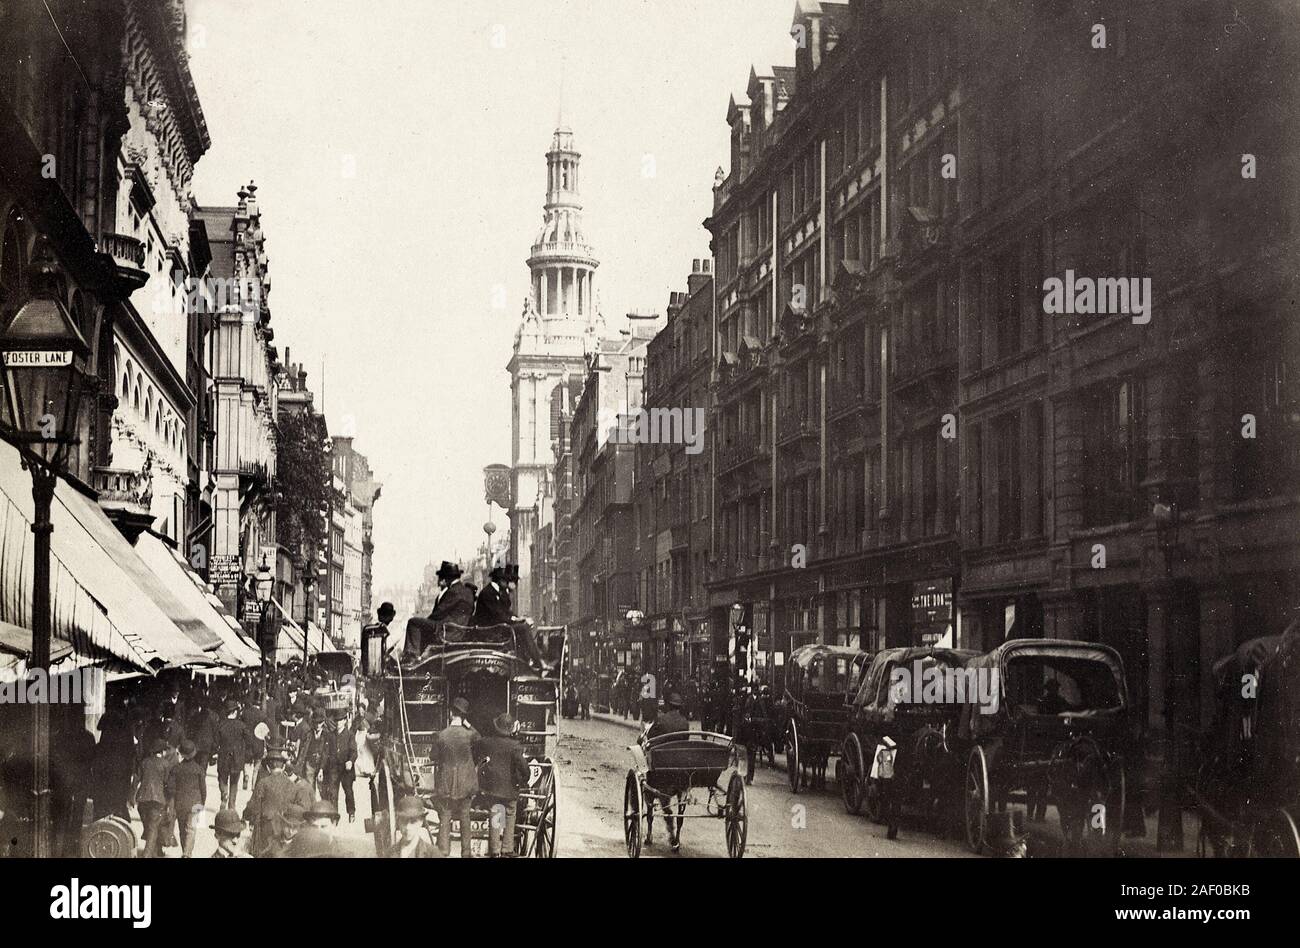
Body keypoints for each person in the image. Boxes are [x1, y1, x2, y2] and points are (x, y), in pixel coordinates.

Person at [429, 696, 480, 858]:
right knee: (465, 815)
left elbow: (433, 757)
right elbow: (480, 738)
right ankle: (466, 852)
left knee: (445, 815)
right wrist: (468, 724)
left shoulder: (442, 735)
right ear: (464, 716)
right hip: (466, 783)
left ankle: (443, 851)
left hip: (446, 783)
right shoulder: (469, 735)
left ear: (451, 714)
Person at [474, 713, 530, 858]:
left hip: (493, 788)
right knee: (510, 814)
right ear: (511, 729)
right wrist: (525, 778)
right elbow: (523, 766)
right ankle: (507, 849)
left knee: (496, 814)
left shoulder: (487, 742)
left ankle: (494, 849)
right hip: (510, 788)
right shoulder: (515, 746)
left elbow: (477, 746)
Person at [242, 746, 298, 856]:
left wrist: (245, 816)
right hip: (285, 828)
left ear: (268, 767)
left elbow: (254, 805)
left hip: (266, 827)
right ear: (283, 767)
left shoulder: (263, 783)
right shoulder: (292, 785)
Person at [166, 739, 208, 858]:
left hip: (180, 803)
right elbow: (203, 789)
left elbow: (171, 789)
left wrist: (171, 804)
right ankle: (187, 853)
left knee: (182, 829)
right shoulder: (199, 769)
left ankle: (185, 851)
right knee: (192, 829)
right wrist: (202, 803)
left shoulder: (176, 768)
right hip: (196, 802)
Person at [136, 739, 171, 858]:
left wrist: (131, 796)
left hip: (142, 798)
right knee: (153, 828)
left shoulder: (144, 762)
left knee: (148, 826)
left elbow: (137, 779)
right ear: (162, 751)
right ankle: (147, 854)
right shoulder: (165, 764)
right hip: (157, 800)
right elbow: (167, 783)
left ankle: (155, 852)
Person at [321, 710, 357, 823]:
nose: (338, 723)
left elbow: (354, 751)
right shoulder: (330, 735)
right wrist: (322, 768)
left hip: (346, 769)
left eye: (341, 720)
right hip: (334, 768)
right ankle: (334, 816)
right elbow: (326, 753)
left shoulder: (350, 734)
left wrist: (350, 761)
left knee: (348, 792)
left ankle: (351, 812)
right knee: (333, 793)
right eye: (336, 721)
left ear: (345, 721)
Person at [215, 699, 250, 809]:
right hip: (237, 758)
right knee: (234, 783)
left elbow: (216, 742)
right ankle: (232, 805)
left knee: (222, 778)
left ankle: (224, 793)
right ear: (235, 712)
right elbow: (248, 740)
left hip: (224, 757)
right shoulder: (241, 726)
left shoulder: (221, 725)